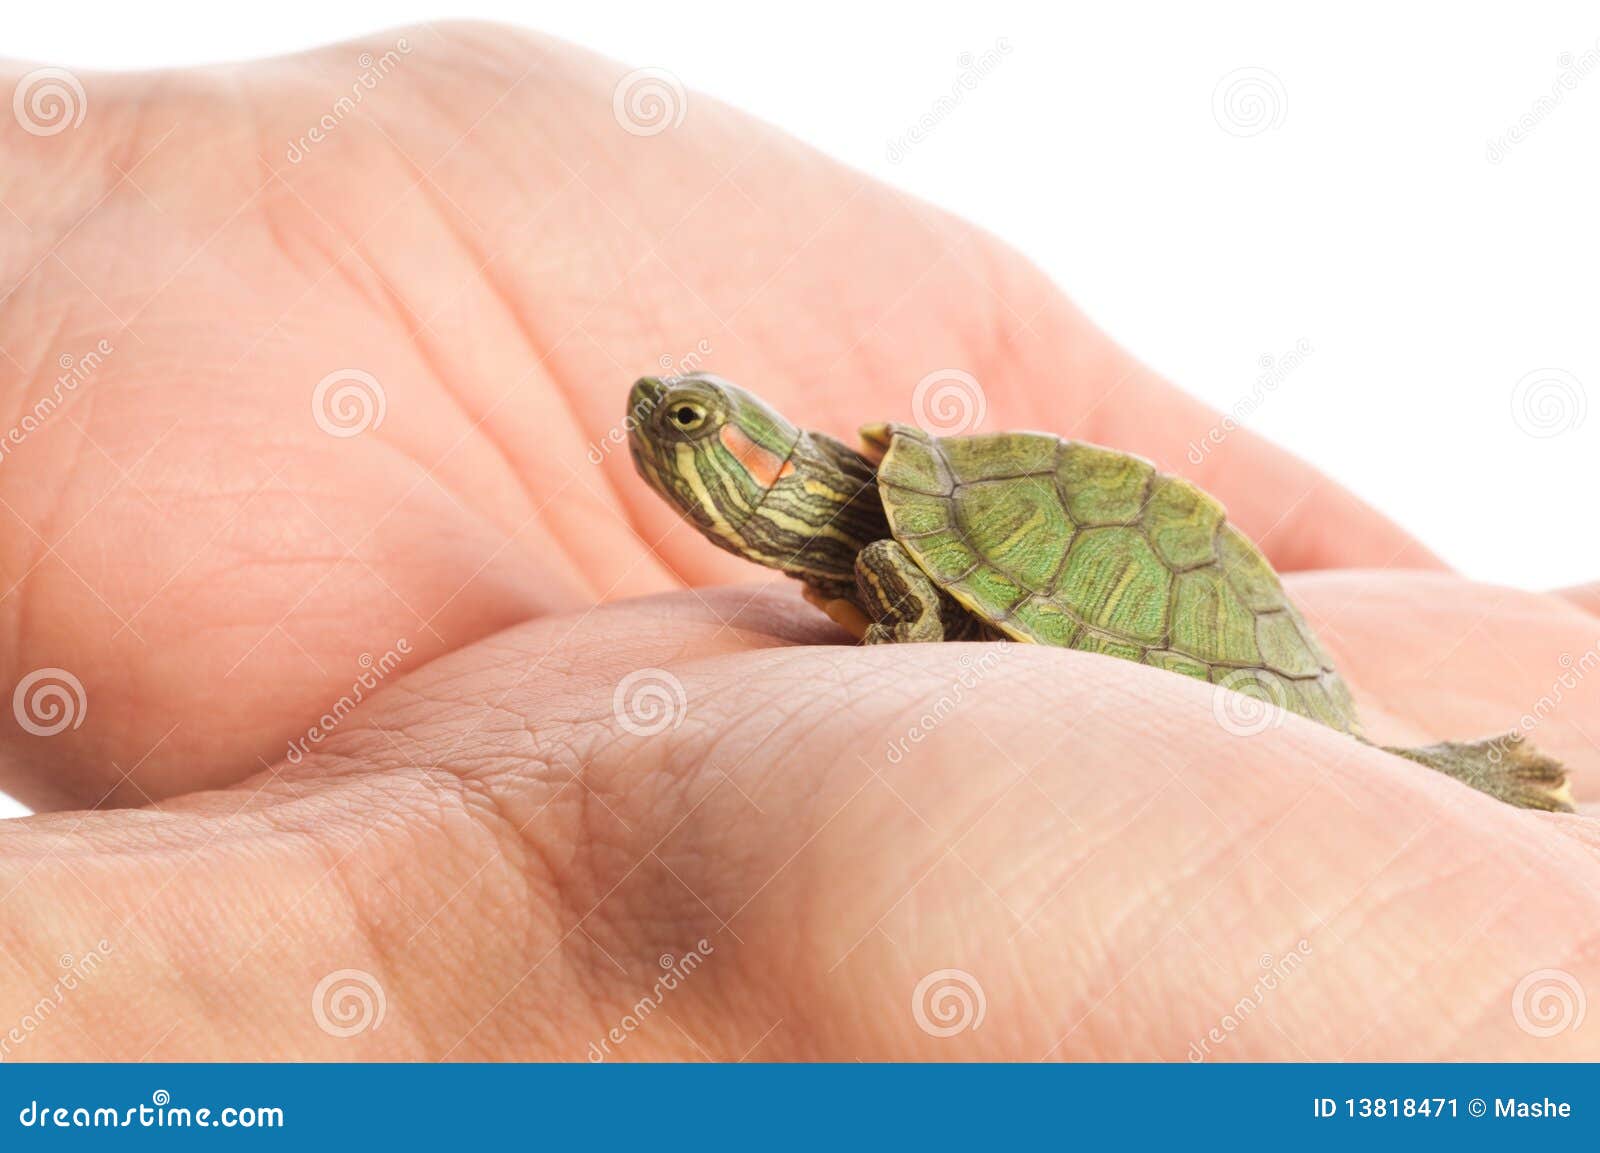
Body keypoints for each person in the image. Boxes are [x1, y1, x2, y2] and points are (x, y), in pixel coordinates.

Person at [0, 24, 1592, 1060]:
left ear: (756, 458)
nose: (659, 419)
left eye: (692, 422)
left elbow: (909, 583)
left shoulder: (888, 546)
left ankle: (1451, 762)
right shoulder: (857, 536)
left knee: (1341, 729)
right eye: (681, 416)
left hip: (1189, 621)